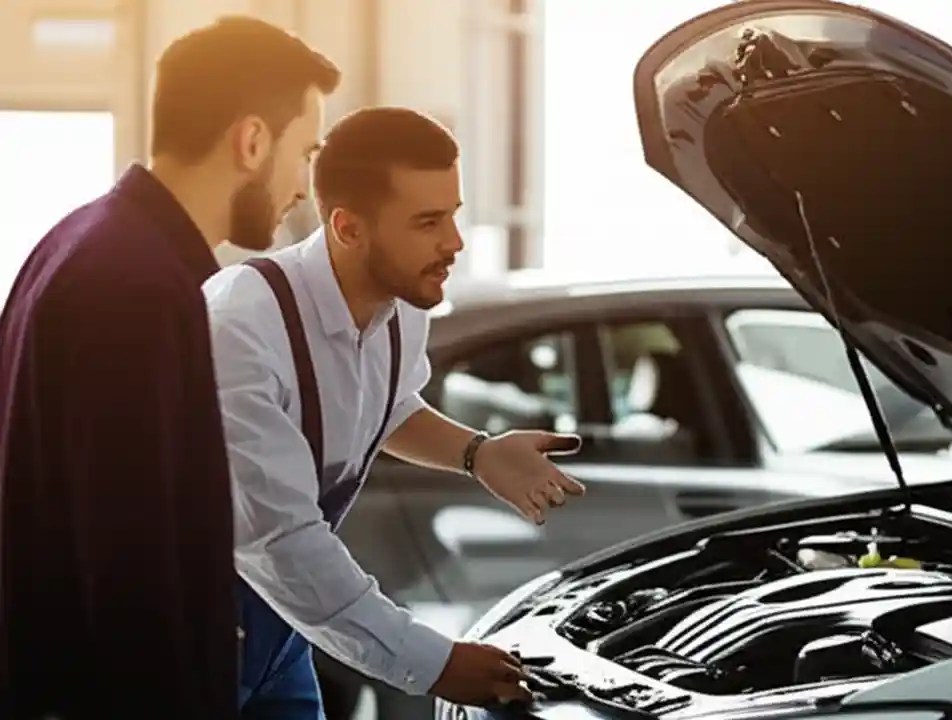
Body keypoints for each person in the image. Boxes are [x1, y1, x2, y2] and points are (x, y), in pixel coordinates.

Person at [0, 16, 340, 719]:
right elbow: (133, 568)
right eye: (303, 152)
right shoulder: (139, 289)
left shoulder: (77, 241)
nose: (305, 187)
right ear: (251, 141)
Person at [203, 106, 587, 718]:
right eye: (428, 222)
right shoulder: (240, 326)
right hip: (183, 637)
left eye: (454, 216)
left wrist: (477, 453)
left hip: (279, 633)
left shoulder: (403, 307)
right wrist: (433, 662)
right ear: (348, 228)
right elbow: (281, 541)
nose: (454, 243)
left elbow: (388, 405)